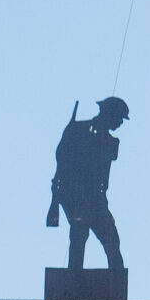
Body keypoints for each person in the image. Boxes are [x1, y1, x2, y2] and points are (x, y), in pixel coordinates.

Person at [48, 96, 128, 270]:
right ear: (109, 114)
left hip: (95, 198)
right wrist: (58, 196)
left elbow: (103, 177)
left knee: (111, 238)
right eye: (119, 118)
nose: (120, 123)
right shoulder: (78, 130)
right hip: (74, 195)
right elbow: (61, 159)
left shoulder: (111, 142)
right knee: (79, 233)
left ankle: (116, 279)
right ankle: (73, 279)